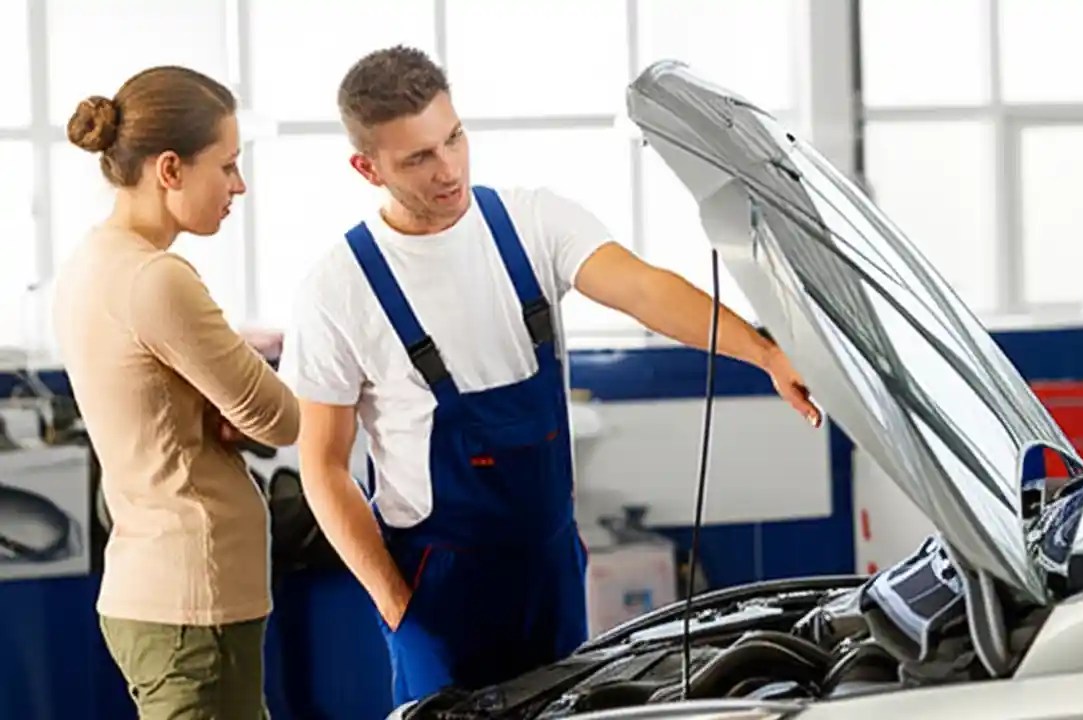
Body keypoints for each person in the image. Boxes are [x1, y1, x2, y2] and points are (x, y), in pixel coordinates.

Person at [278, 45, 821, 707]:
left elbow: (644, 289)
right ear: (367, 168)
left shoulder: (533, 223)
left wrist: (763, 352)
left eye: (454, 139)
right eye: (417, 158)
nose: (449, 169)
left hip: (551, 572)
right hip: (434, 592)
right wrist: (396, 604)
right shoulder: (338, 288)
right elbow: (323, 466)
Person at [53, 66, 299, 719]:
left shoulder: (90, 261)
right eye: (227, 165)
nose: (238, 185)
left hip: (158, 594)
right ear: (170, 169)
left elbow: (158, 401)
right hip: (193, 603)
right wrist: (241, 386)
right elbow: (279, 418)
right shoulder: (156, 280)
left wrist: (218, 394)